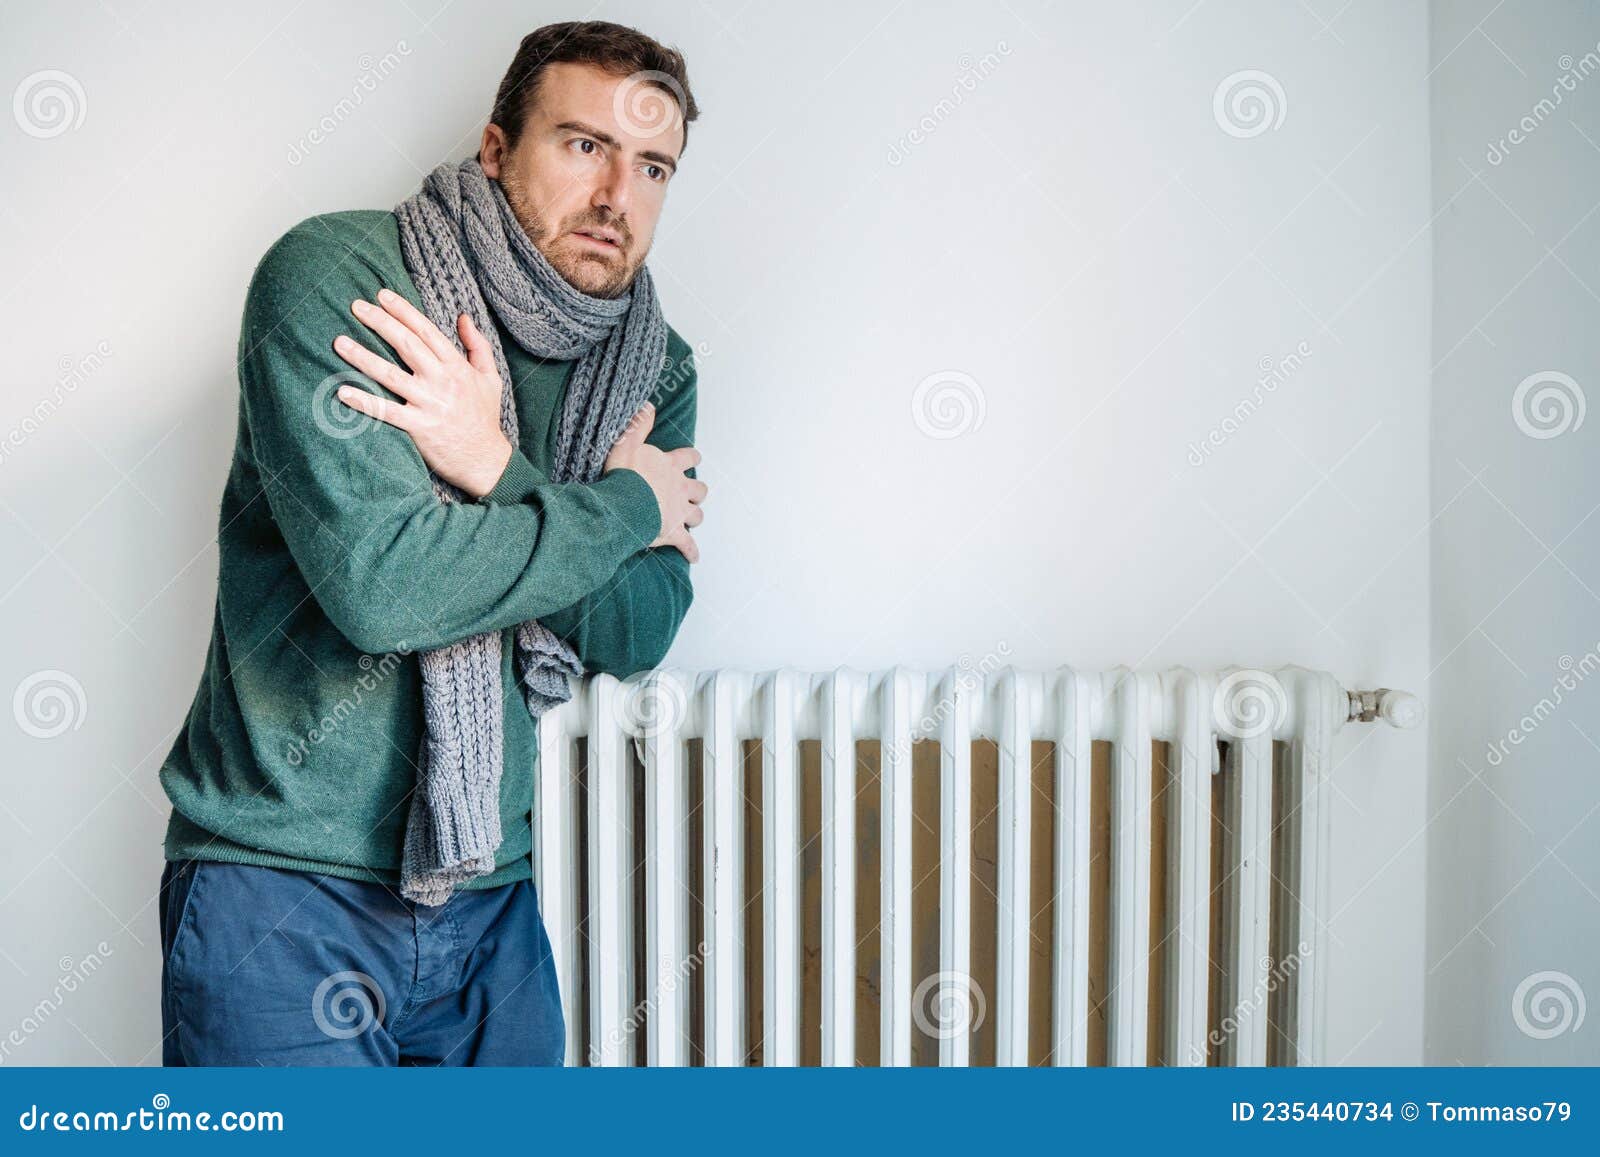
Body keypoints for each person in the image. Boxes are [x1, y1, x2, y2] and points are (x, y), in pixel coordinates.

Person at [156, 20, 706, 1066]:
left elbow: (634, 628)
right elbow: (387, 587)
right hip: (281, 889)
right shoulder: (340, 277)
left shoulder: (654, 366)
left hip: (492, 900)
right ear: (496, 148)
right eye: (582, 145)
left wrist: (496, 465)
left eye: (652, 167)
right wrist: (627, 508)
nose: (615, 197)